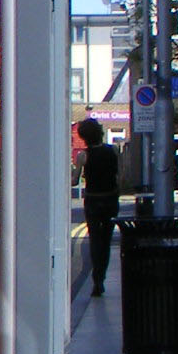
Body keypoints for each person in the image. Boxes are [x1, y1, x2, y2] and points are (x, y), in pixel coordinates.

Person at [76, 118, 122, 296]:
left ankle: (97, 280)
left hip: (93, 200)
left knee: (95, 239)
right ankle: (101, 275)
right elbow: (120, 175)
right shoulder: (114, 150)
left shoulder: (83, 155)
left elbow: (74, 180)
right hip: (110, 199)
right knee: (106, 240)